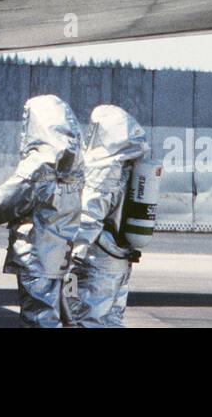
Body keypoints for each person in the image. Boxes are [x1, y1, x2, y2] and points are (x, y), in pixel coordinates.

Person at [0, 94, 83, 326]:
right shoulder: (76, 164)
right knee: (59, 313)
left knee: (38, 316)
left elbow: (9, 197)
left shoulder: (40, 163)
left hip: (37, 254)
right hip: (63, 254)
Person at [64, 105, 151, 328]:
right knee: (112, 320)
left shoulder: (104, 167)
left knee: (86, 319)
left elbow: (90, 214)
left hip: (98, 259)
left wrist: (72, 255)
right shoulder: (133, 163)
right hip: (121, 257)